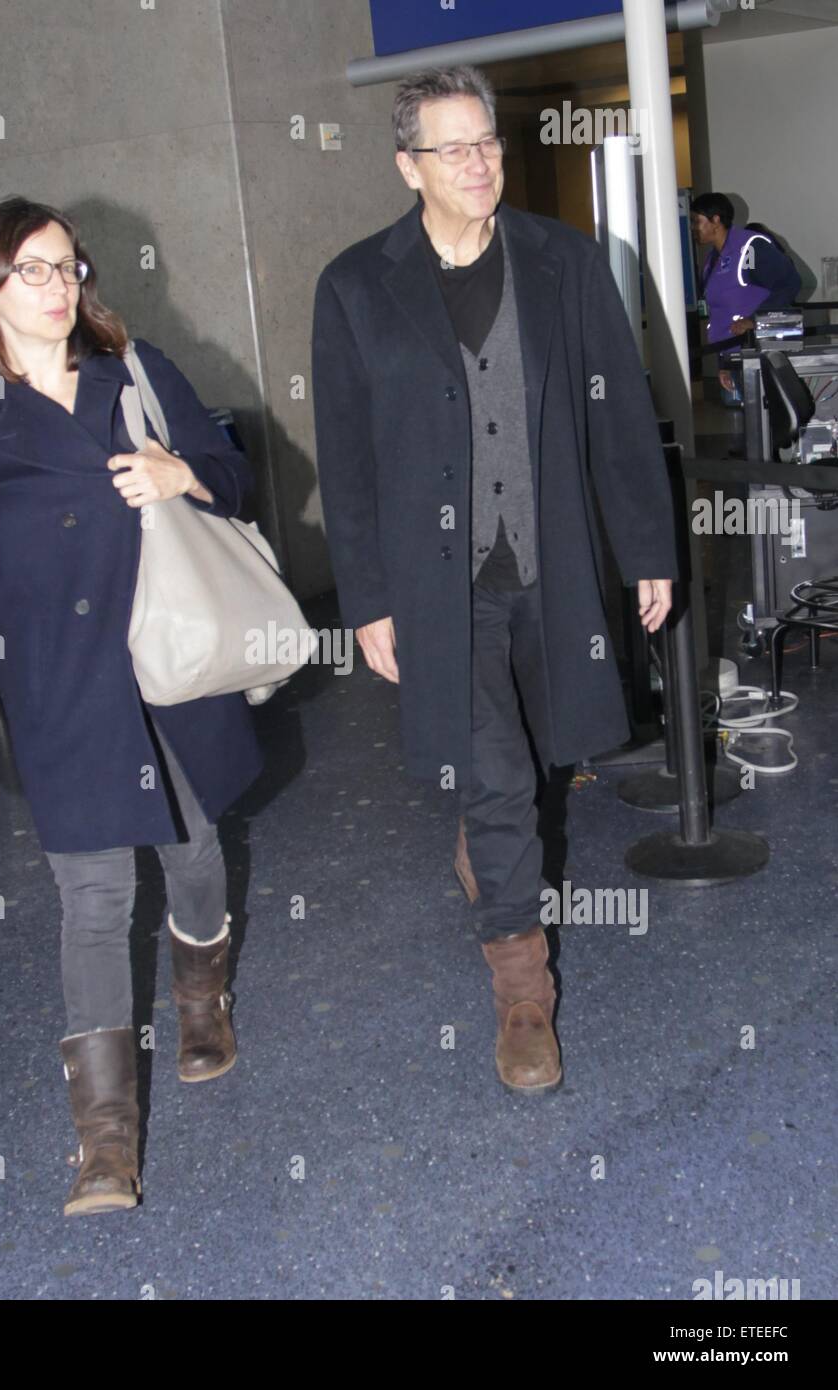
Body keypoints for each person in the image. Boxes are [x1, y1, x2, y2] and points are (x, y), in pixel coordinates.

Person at [311, 65, 677, 1094]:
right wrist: (366, 596)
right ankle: (524, 996)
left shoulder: (563, 261)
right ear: (406, 165)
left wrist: (646, 545)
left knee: (551, 750)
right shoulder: (354, 284)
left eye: (487, 142)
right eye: (452, 147)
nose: (478, 162)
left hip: (551, 558)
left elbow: (616, 416)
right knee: (500, 776)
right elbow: (344, 457)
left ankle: (492, 851)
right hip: (439, 587)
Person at [0, 196, 263, 1215]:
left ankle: (202, 997)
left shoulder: (138, 373)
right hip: (59, 686)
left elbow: (238, 480)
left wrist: (181, 473)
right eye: (33, 271)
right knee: (92, 899)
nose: (60, 287)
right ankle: (104, 1146)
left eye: (70, 267)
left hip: (168, 662)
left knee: (195, 849)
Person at [690, 193, 801, 405]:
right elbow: (720, 315)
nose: (694, 227)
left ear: (715, 220)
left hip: (762, 353)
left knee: (773, 420)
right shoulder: (712, 260)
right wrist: (724, 362)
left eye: (697, 221)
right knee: (756, 423)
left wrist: (754, 319)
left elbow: (789, 283)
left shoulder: (749, 248)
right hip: (735, 356)